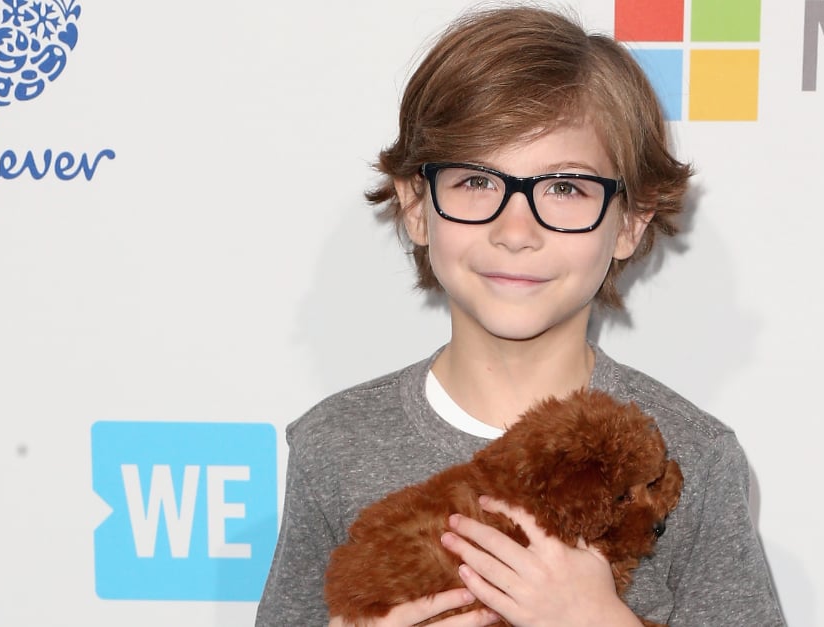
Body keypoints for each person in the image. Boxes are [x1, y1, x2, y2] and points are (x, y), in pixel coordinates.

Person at [256, 5, 785, 626]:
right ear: (416, 206)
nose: (516, 229)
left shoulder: (691, 457)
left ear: (631, 222)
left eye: (565, 188)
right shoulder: (334, 443)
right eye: (476, 181)